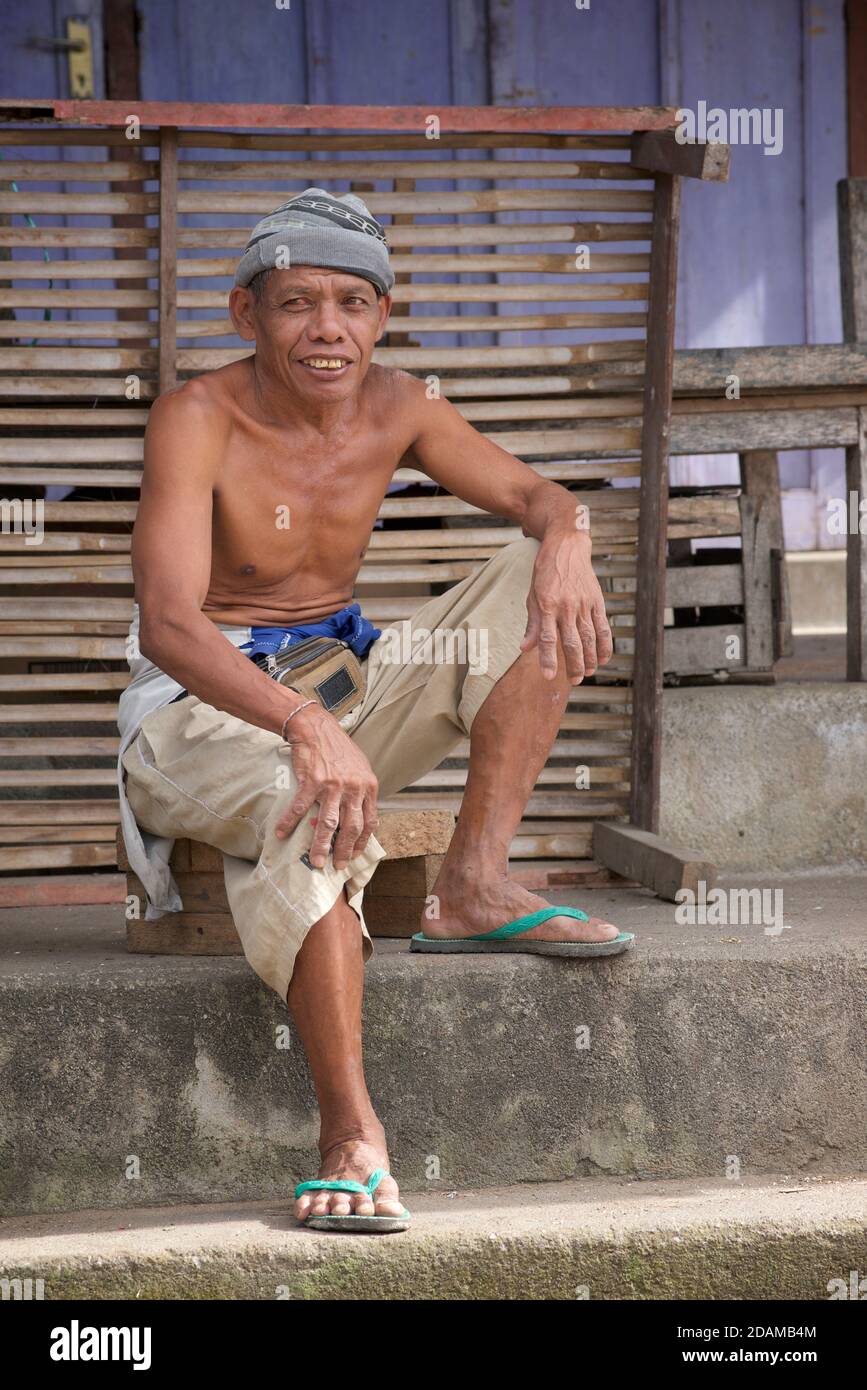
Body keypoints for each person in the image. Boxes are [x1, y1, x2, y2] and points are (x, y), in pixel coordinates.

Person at [117, 188, 632, 1234]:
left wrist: (568, 532)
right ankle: (351, 1133)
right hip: (195, 709)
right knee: (305, 799)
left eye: (353, 302)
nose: (327, 329)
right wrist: (301, 726)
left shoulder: (401, 404)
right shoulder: (196, 416)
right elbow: (170, 622)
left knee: (540, 562)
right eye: (297, 301)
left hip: (340, 689)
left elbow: (543, 499)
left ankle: (473, 886)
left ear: (382, 318)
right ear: (244, 314)